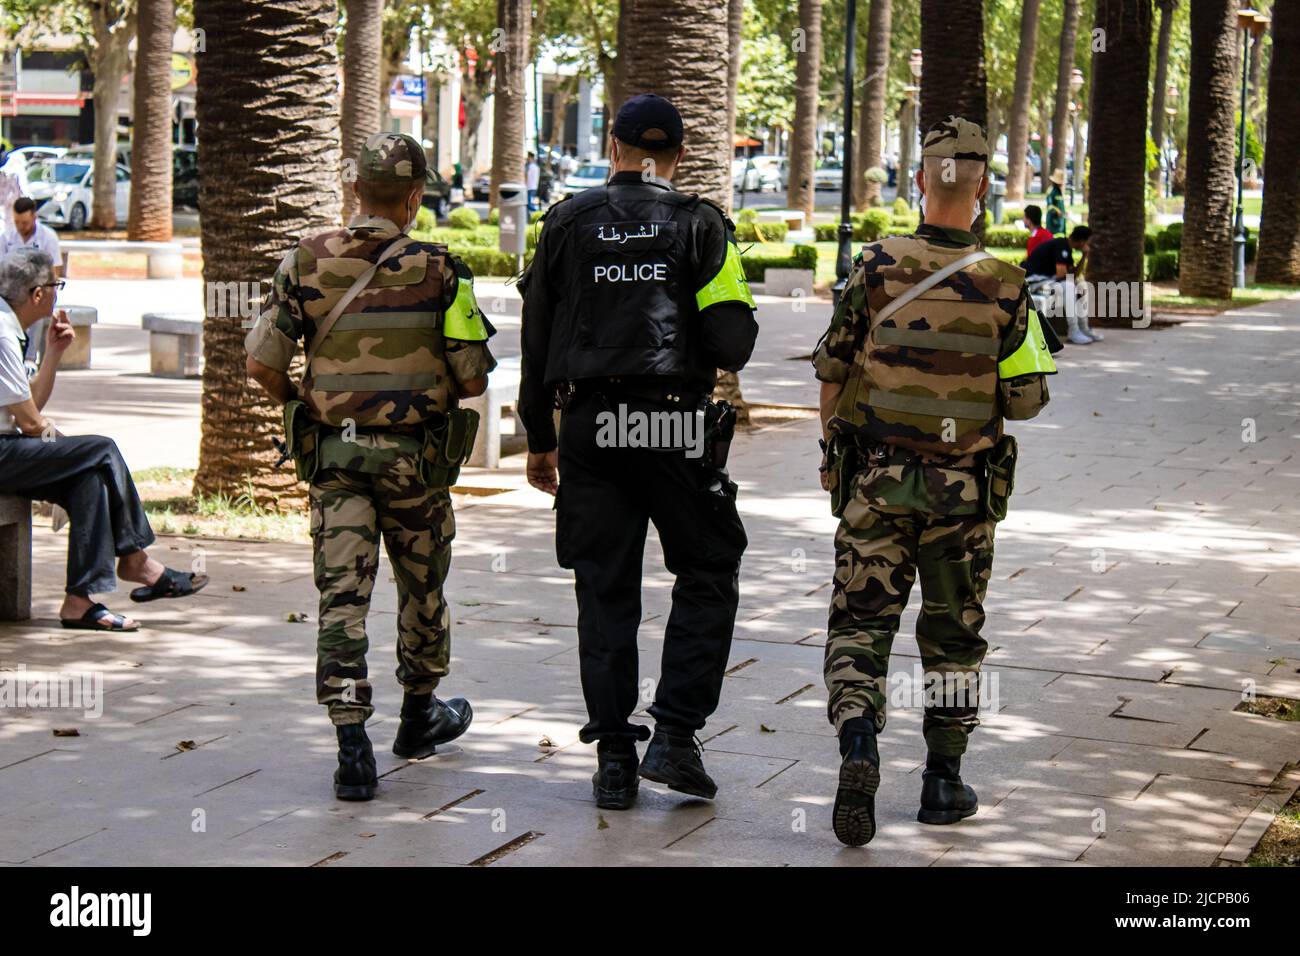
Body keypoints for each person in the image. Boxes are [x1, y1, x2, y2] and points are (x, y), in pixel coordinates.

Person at [813, 117, 1056, 847]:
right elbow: (1027, 400)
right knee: (953, 634)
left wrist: (833, 457)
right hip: (964, 494)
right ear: (981, 189)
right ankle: (943, 783)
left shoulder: (874, 264)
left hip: (878, 484)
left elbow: (830, 371)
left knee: (861, 624)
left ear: (920, 181)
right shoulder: (1006, 284)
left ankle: (859, 740)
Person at [517, 93, 759, 812]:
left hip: (590, 427)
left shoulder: (566, 221)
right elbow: (732, 343)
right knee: (709, 567)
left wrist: (539, 438)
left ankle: (615, 759)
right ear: (678, 157)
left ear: (614, 149)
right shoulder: (701, 226)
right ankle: (676, 737)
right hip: (673, 425)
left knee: (605, 585)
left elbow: (535, 345)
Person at [244, 132, 496, 802]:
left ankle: (351, 745)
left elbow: (261, 365)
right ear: (414, 197)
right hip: (415, 464)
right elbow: (472, 381)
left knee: (342, 594)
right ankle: (419, 718)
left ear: (355, 190)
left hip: (337, 461)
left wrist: (309, 399)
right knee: (423, 588)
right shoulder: (444, 269)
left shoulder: (304, 260)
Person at [0, 248, 208, 631]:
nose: (58, 292)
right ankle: (136, 559)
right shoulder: (1, 332)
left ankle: (79, 602)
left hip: (10, 446)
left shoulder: (12, 328)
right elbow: (30, 423)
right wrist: (59, 442)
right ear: (37, 295)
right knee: (101, 448)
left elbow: (28, 405)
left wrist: (54, 354)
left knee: (90, 479)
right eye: (55, 285)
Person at [1022, 224, 1100, 345]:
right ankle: (1074, 331)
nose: (1087, 245)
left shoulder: (1067, 249)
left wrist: (1084, 256)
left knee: (1080, 286)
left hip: (1046, 280)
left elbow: (1073, 275)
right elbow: (1061, 274)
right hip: (1032, 281)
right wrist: (1072, 280)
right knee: (1068, 286)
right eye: (1087, 242)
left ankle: (1083, 329)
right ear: (1081, 241)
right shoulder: (1061, 246)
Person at [1045, 169, 1067, 236]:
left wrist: (1064, 212)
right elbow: (1050, 206)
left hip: (1061, 221)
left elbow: (1060, 204)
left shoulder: (1059, 191)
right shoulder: (1051, 191)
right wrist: (1057, 212)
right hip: (1053, 222)